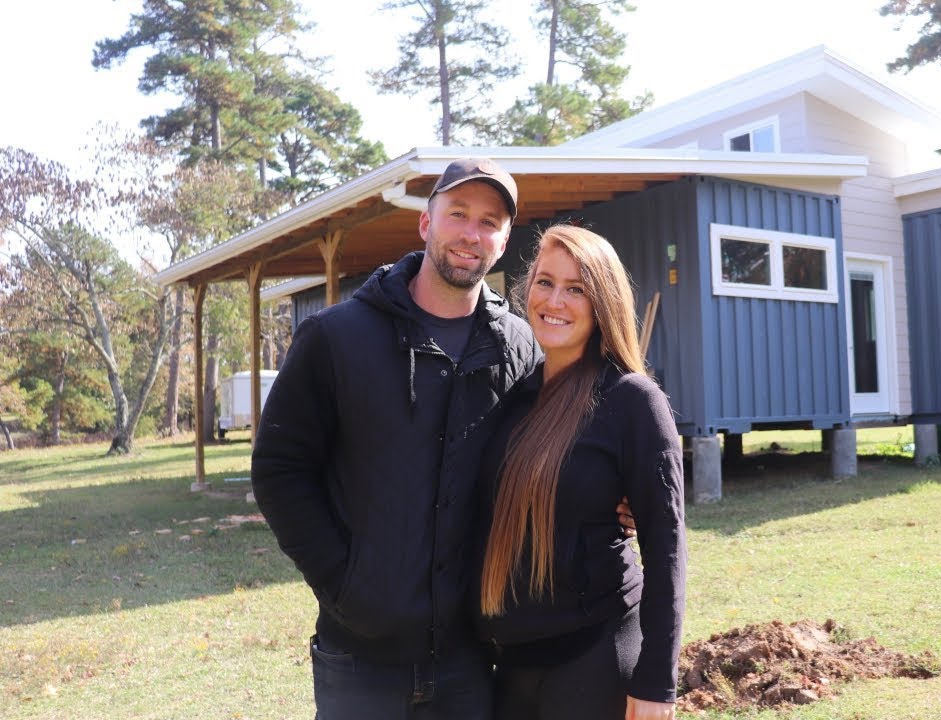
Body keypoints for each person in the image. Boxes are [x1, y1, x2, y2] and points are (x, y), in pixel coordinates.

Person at [251, 157, 540, 719]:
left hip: (469, 660)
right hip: (358, 658)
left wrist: (617, 495)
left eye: (489, 222)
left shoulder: (517, 349)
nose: (470, 233)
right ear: (426, 224)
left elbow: (544, 456)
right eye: (458, 213)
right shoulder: (337, 338)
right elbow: (280, 469)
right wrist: (345, 585)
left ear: (503, 243)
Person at [474, 225, 687, 720]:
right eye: (545, 282)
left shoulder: (632, 401)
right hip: (510, 666)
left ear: (602, 303)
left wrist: (658, 681)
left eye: (576, 288)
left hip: (593, 659)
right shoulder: (514, 399)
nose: (555, 300)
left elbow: (667, 545)